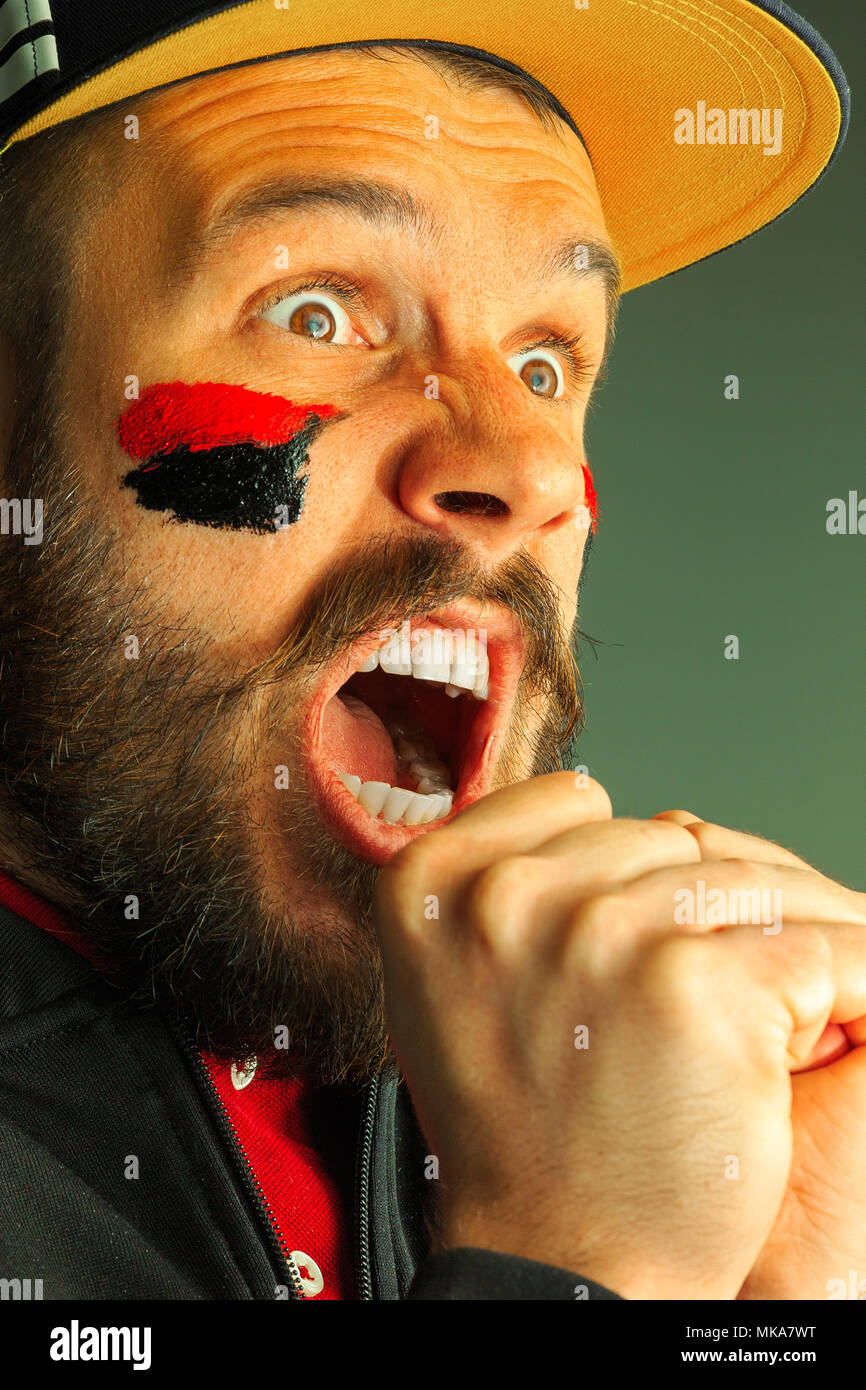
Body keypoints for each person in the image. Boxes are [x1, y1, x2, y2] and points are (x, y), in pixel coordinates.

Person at [0, 3, 860, 1301]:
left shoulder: (598, 1123)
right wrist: (574, 1273)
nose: (522, 469)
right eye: (314, 313)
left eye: (541, 356)